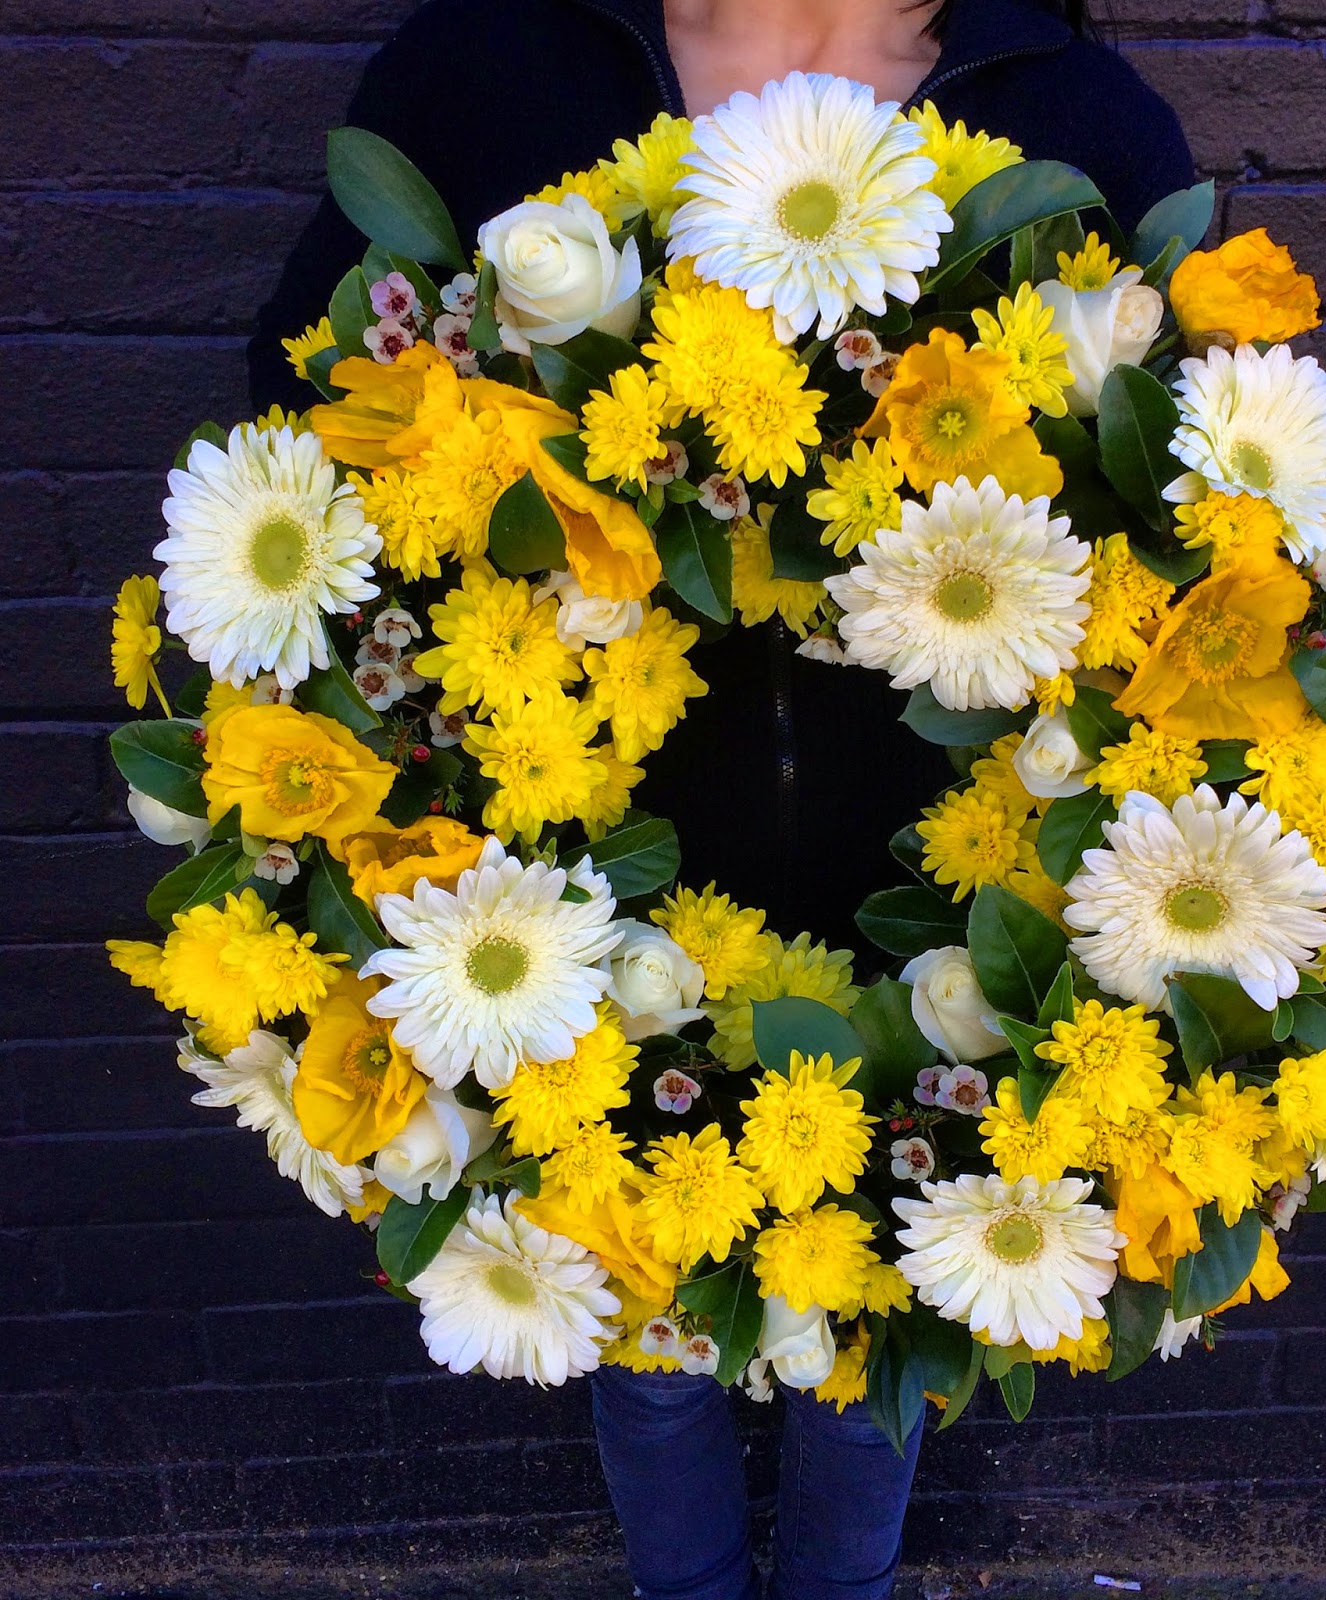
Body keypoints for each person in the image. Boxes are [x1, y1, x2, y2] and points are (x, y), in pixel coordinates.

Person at [250, 4, 1191, 1596]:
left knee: (878, 1341)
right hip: (566, 908)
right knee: (643, 1338)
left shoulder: (1070, 117)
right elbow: (299, 443)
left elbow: (1210, 523)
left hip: (955, 911)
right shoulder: (485, 76)